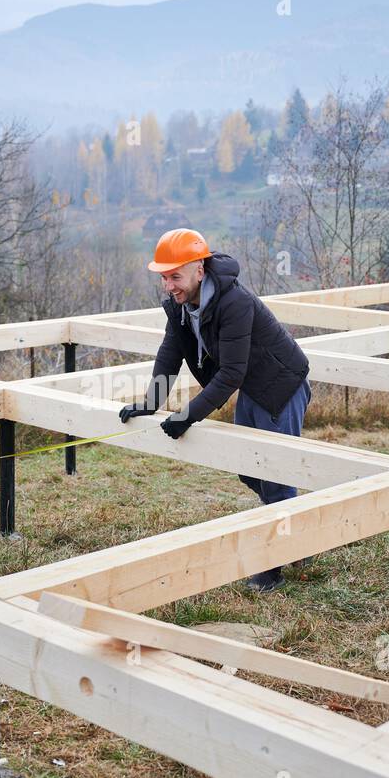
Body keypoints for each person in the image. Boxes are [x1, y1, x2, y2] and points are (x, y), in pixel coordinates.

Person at [119, 228, 312, 591]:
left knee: (274, 471)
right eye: (163, 277)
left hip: (281, 385)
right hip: (253, 389)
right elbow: (169, 356)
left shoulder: (233, 302)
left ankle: (274, 565)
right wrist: (150, 403)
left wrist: (189, 415)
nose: (168, 285)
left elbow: (231, 373)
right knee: (248, 469)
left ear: (199, 271)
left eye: (175, 276)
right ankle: (296, 535)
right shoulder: (180, 307)